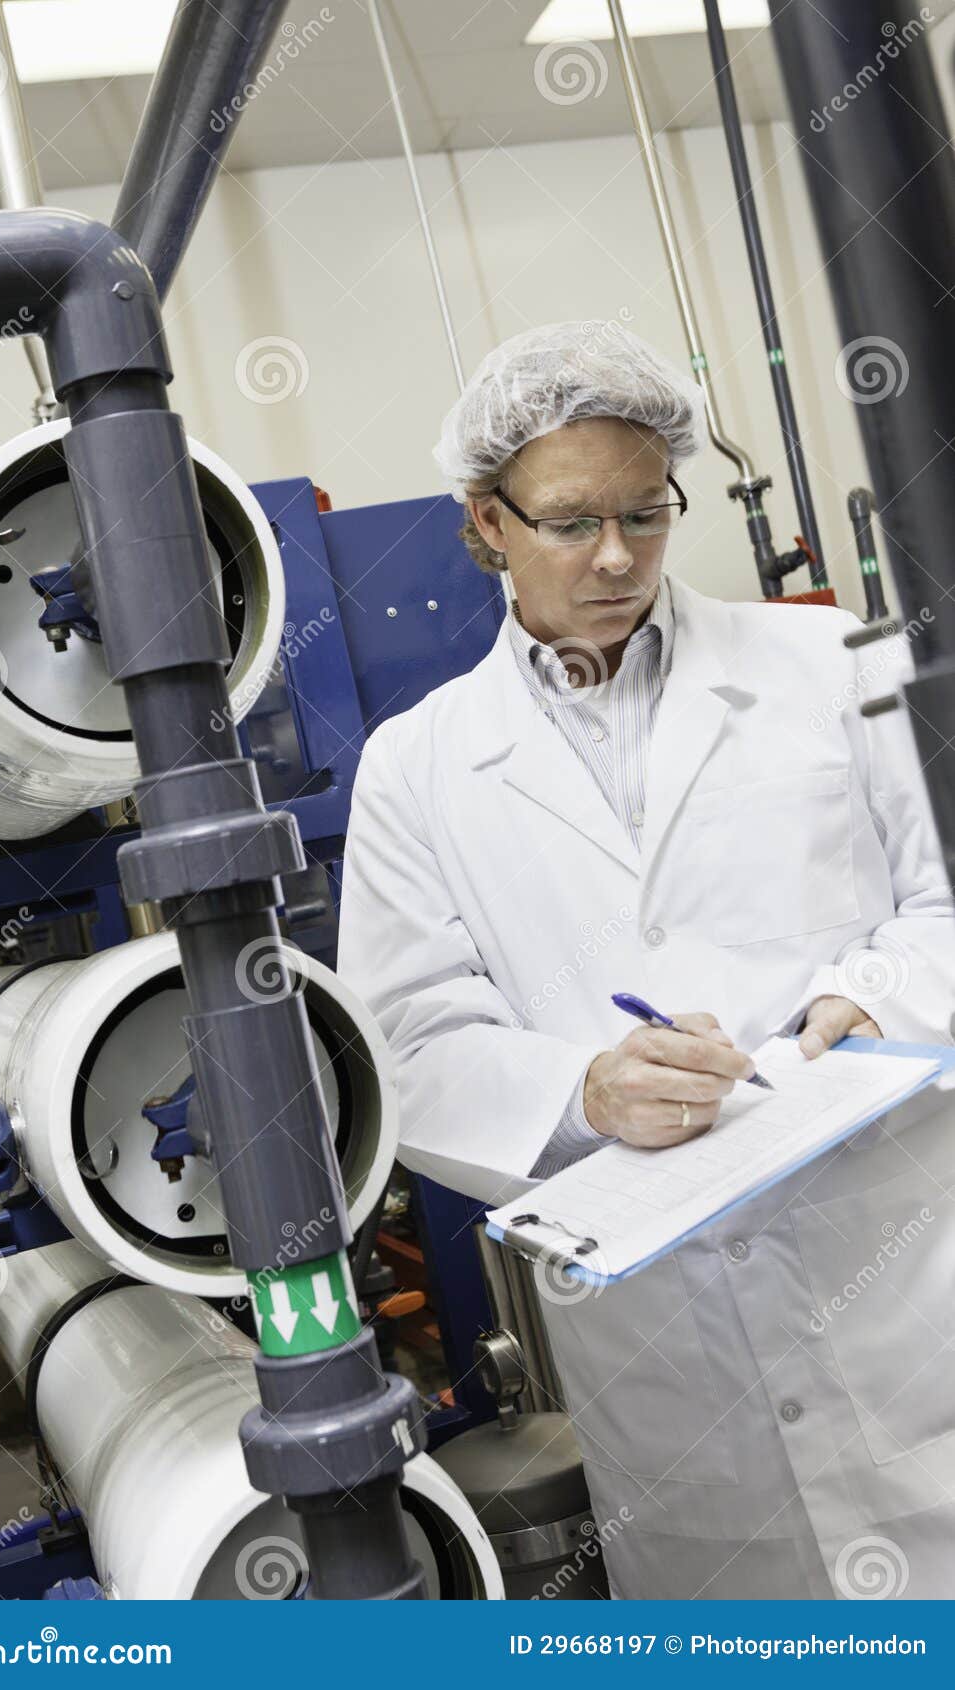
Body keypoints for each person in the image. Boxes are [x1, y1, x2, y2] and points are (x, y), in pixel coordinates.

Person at [336, 322, 955, 1599]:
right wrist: (582, 1094)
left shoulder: (833, 660)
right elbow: (411, 1041)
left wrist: (870, 993)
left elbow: (944, 896)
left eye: (644, 513)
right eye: (569, 522)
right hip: (662, 1347)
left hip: (897, 1279)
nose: (615, 556)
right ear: (484, 523)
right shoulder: (421, 763)